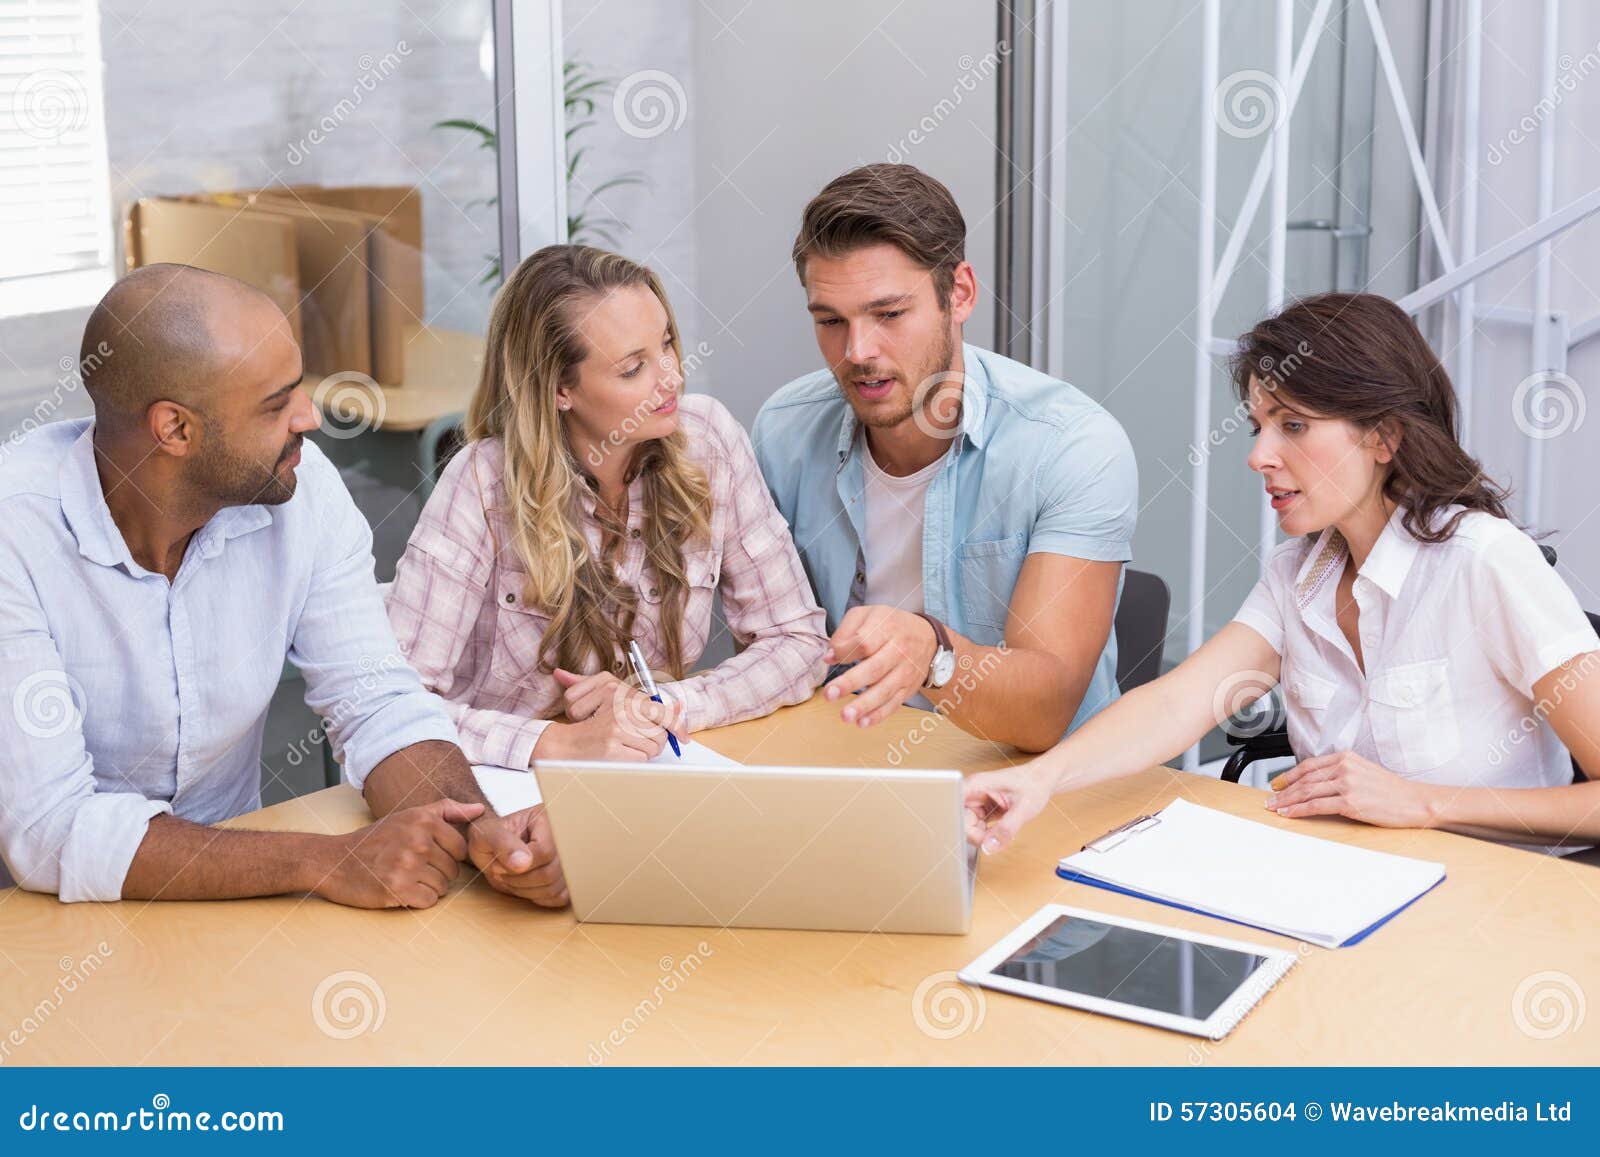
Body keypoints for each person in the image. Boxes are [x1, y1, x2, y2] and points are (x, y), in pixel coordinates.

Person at [0, 264, 561, 907]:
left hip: (234, 895)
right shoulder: (15, 534)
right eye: (277, 403)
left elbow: (377, 701)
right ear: (175, 429)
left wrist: (484, 833)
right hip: (38, 921)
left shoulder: (303, 487)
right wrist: (327, 861)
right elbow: (52, 830)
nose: (310, 416)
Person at [965, 292, 1600, 853]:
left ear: (1383, 438)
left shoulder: (1486, 563)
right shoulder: (1299, 572)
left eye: (1293, 426)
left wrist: (1424, 803)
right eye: (1259, 427)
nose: (1259, 457)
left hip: (1493, 914)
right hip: (1343, 887)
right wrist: (1036, 779)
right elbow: (1176, 705)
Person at [386, 244, 828, 779]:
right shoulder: (481, 484)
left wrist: (665, 703)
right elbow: (391, 705)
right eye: (633, 368)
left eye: (666, 344)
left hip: (641, 780)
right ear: (559, 389)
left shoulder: (708, 440)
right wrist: (557, 742)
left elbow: (797, 641)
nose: (671, 378)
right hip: (505, 794)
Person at [753, 164, 1138, 752]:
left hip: (1030, 786)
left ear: (958, 294)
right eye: (830, 321)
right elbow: (768, 652)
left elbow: (1046, 709)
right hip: (847, 768)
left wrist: (932, 654)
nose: (858, 352)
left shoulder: (1071, 446)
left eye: (888, 315)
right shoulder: (784, 430)